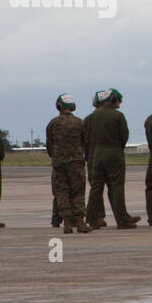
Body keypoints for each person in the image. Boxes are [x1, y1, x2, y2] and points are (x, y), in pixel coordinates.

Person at [84, 88, 140, 229]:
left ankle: (91, 219)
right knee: (117, 188)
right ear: (114, 100)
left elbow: (87, 138)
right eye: (119, 100)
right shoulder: (118, 116)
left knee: (96, 188)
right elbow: (124, 136)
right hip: (114, 152)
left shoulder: (92, 116)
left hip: (97, 153)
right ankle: (122, 220)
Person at [46, 93, 90, 233]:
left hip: (59, 163)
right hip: (76, 162)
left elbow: (49, 145)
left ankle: (66, 223)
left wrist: (56, 157)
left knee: (61, 191)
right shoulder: (79, 122)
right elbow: (85, 142)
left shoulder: (53, 123)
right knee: (78, 191)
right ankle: (80, 222)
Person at [84, 91, 109, 228]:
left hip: (92, 157)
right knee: (114, 189)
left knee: (95, 189)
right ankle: (119, 217)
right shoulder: (113, 116)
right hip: (108, 156)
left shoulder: (88, 119)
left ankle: (96, 216)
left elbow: (84, 140)